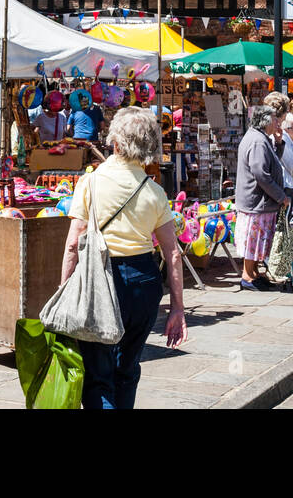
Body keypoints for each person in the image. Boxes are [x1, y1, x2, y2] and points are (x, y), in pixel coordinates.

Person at [59, 106, 186, 408]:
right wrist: (178, 308)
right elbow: (173, 253)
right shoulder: (154, 191)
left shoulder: (90, 182)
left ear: (114, 142)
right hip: (143, 281)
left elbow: (73, 244)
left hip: (101, 279)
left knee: (98, 374)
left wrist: (64, 290)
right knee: (126, 370)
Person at [235, 105, 292, 289]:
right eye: (275, 119)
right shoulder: (258, 141)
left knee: (256, 240)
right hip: (257, 201)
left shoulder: (259, 138)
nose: (278, 122)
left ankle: (253, 273)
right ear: (265, 121)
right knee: (254, 239)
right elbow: (261, 173)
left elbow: (271, 163)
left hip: (258, 201)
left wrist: (279, 143)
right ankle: (247, 275)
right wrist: (280, 195)